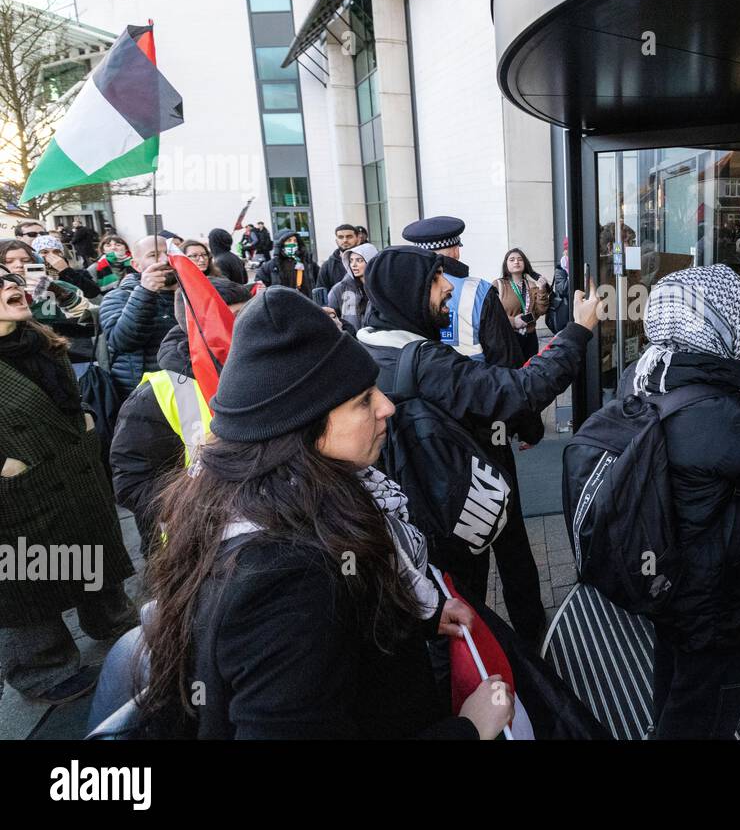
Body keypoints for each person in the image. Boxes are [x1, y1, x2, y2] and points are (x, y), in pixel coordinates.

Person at [132, 286, 511, 739]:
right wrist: (469, 730)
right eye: (364, 400)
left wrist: (422, 618)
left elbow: (341, 634)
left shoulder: (267, 498)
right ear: (304, 429)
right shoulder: (287, 579)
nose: (386, 407)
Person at [356, 246, 600, 650]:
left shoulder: (365, 345)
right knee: (464, 601)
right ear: (408, 292)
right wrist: (578, 331)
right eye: (435, 280)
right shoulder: (423, 361)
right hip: (453, 513)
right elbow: (517, 390)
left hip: (417, 518)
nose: (446, 289)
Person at [626, 265, 740, 739]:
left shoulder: (645, 373)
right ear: (718, 327)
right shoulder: (720, 416)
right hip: (714, 597)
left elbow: (696, 403)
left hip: (668, 579)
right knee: (706, 708)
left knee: (677, 680)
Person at [0, 272, 137, 705]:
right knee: (25, 575)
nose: (11, 285)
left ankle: (111, 622)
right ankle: (44, 666)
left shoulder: (39, 342)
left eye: (11, 278)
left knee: (91, 545)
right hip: (18, 487)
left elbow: (62, 396)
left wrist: (82, 417)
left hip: (72, 469)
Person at [111, 278, 253, 557]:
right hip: (195, 549)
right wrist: (201, 506)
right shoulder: (156, 394)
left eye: (247, 316)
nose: (245, 328)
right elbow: (132, 482)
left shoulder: (265, 370)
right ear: (196, 326)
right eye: (231, 318)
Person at [403, 216, 522, 368]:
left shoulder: (399, 289)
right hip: (475, 385)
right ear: (456, 251)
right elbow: (506, 359)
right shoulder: (479, 291)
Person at [98, 236, 180, 398]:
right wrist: (146, 292)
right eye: (153, 255)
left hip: (189, 386)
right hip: (147, 394)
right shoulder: (119, 297)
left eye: (168, 253)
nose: (164, 260)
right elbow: (122, 341)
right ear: (136, 265)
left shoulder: (190, 294)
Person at [495, 248, 551, 362]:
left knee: (529, 371)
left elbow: (541, 310)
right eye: (512, 260)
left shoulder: (532, 285)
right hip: (508, 337)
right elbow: (493, 313)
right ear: (506, 265)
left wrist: (541, 289)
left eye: (520, 259)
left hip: (530, 337)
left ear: (525, 264)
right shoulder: (499, 285)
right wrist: (513, 321)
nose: (516, 262)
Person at [327, 242, 378, 332]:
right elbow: (330, 315)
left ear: (371, 261)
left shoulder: (382, 288)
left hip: (376, 341)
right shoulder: (340, 288)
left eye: (359, 260)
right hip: (350, 340)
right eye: (351, 260)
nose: (353, 265)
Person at [30, 233, 101, 298]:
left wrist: (66, 271)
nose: (52, 255)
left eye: (56, 252)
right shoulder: (31, 275)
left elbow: (93, 293)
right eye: (44, 252)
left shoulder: (78, 273)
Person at [255, 229, 318, 296]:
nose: (293, 243)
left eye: (295, 241)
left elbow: (319, 280)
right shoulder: (272, 265)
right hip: (281, 304)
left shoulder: (307, 262)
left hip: (306, 302)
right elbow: (260, 283)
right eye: (289, 241)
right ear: (281, 244)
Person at [317, 224, 360, 293]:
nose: (345, 240)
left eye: (349, 237)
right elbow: (321, 292)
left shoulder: (368, 260)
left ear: (358, 239)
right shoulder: (327, 266)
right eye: (341, 237)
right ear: (336, 241)